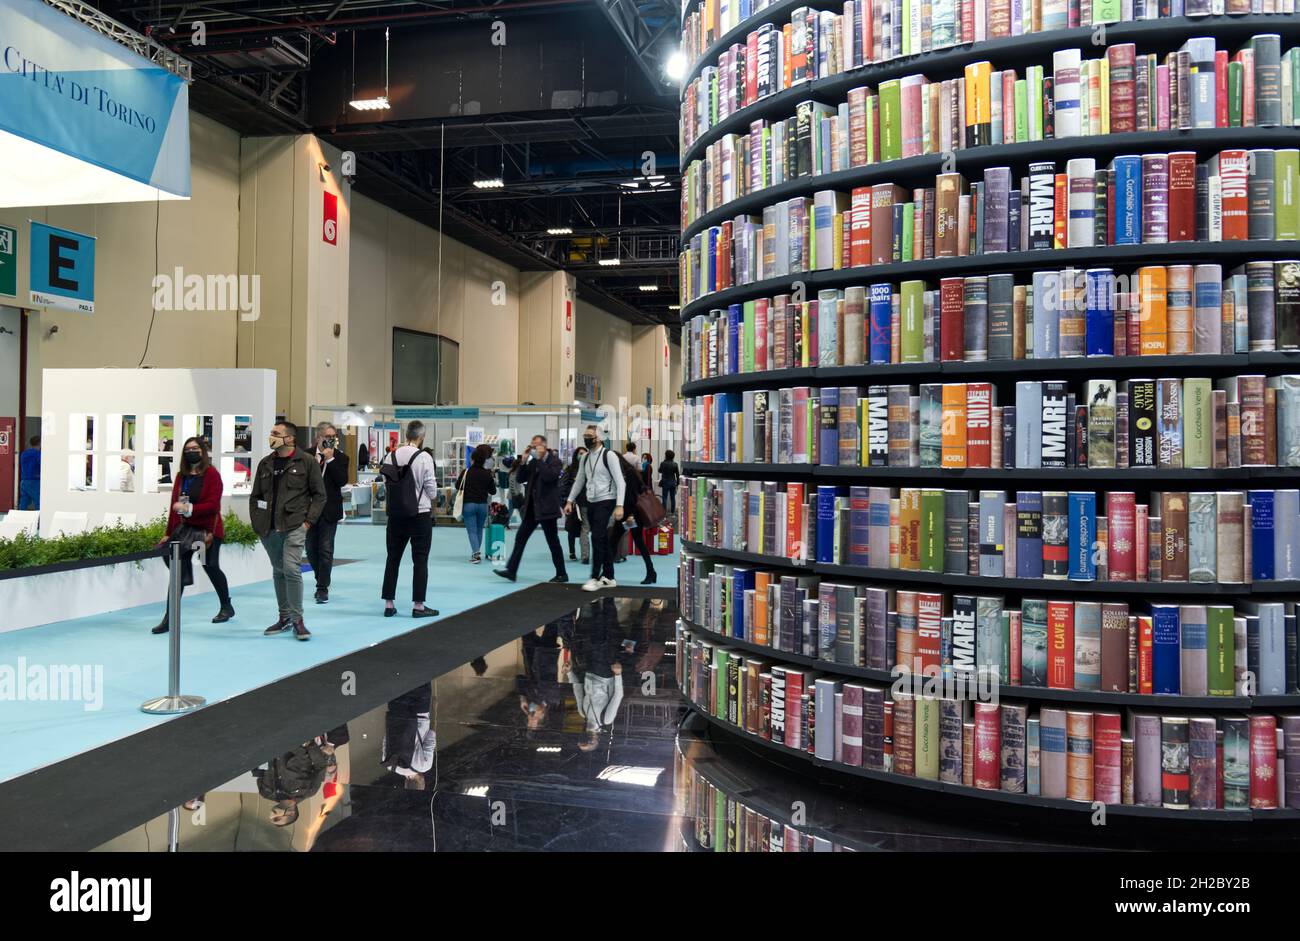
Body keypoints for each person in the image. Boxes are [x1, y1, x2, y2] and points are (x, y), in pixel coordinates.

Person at [249, 421, 326, 641]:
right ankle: (284, 617)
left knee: (292, 569)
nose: (271, 436)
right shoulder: (265, 464)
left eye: (276, 433)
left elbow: (320, 495)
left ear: (290, 438)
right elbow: (255, 497)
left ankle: (298, 620)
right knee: (278, 570)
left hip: (294, 525)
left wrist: (307, 522)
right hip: (269, 528)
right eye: (271, 432)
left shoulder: (307, 462)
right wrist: (258, 524)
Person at [152, 436, 235, 634]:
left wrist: (190, 508)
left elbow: (213, 505)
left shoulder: (212, 474)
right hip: (185, 532)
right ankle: (169, 618)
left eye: (195, 448)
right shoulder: (181, 476)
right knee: (177, 572)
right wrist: (168, 533)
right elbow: (174, 508)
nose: (191, 451)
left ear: (203, 451)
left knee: (210, 566)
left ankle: (226, 606)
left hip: (207, 533)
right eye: (188, 448)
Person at [380, 421, 441, 618]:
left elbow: (385, 482)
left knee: (393, 558)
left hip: (395, 514)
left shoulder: (391, 455)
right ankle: (418, 606)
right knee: (420, 560)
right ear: (421, 437)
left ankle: (389, 604)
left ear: (406, 434)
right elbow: (431, 490)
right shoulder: (424, 457)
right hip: (419, 514)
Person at [494, 434, 568, 584]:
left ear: (544, 446)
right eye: (532, 446)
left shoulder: (555, 461)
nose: (534, 449)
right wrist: (522, 462)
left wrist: (540, 460)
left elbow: (549, 477)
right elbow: (521, 479)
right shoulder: (533, 462)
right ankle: (511, 571)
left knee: (553, 542)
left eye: (536, 446)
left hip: (547, 509)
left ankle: (562, 574)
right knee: (520, 538)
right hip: (531, 509)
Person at [563, 425, 625, 592]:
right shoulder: (585, 458)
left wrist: (619, 505)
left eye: (590, 435)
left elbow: (620, 481)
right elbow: (579, 481)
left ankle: (595, 577)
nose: (586, 438)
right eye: (585, 435)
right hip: (590, 501)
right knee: (602, 537)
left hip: (607, 500)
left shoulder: (609, 455)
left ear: (599, 437)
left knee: (596, 537)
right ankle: (610, 576)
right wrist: (570, 500)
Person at [307, 422, 350, 604]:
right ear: (319, 438)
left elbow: (341, 481)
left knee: (326, 549)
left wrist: (330, 460)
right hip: (308, 511)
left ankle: (322, 588)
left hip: (330, 511)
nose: (331, 440)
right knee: (310, 550)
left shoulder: (341, 458)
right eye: (327, 437)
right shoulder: (306, 456)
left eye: (333, 437)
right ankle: (320, 579)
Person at [612, 454, 657, 585]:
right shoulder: (626, 472)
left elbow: (632, 496)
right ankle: (651, 572)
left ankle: (651, 572)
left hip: (632, 514)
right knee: (615, 541)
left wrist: (631, 515)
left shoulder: (629, 473)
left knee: (635, 542)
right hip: (627, 513)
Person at [456, 443, 496, 563]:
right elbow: (493, 491)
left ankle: (476, 554)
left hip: (469, 504)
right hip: (482, 505)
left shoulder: (466, 472)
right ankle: (476, 552)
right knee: (479, 529)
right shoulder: (487, 474)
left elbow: (458, 486)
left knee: (472, 531)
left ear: (472, 459)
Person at [561, 447, 590, 566]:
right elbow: (564, 485)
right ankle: (572, 552)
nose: (582, 455)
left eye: (584, 453)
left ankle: (585, 555)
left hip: (586, 503)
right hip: (572, 503)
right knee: (571, 528)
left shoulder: (589, 469)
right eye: (580, 453)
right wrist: (568, 500)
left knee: (585, 528)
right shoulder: (570, 469)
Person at [18, 436, 41, 510]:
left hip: (24, 480)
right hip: (34, 480)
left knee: (24, 501)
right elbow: (43, 464)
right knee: (38, 501)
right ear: (39, 443)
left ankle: (20, 517)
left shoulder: (24, 453)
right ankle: (39, 519)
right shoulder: (38, 454)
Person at [658, 449, 680, 515]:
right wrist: (678, 482)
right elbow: (677, 474)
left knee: (664, 497)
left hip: (665, 482)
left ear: (666, 456)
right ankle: (672, 512)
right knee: (672, 497)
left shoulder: (663, 463)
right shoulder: (675, 464)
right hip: (673, 482)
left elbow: (659, 471)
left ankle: (663, 512)